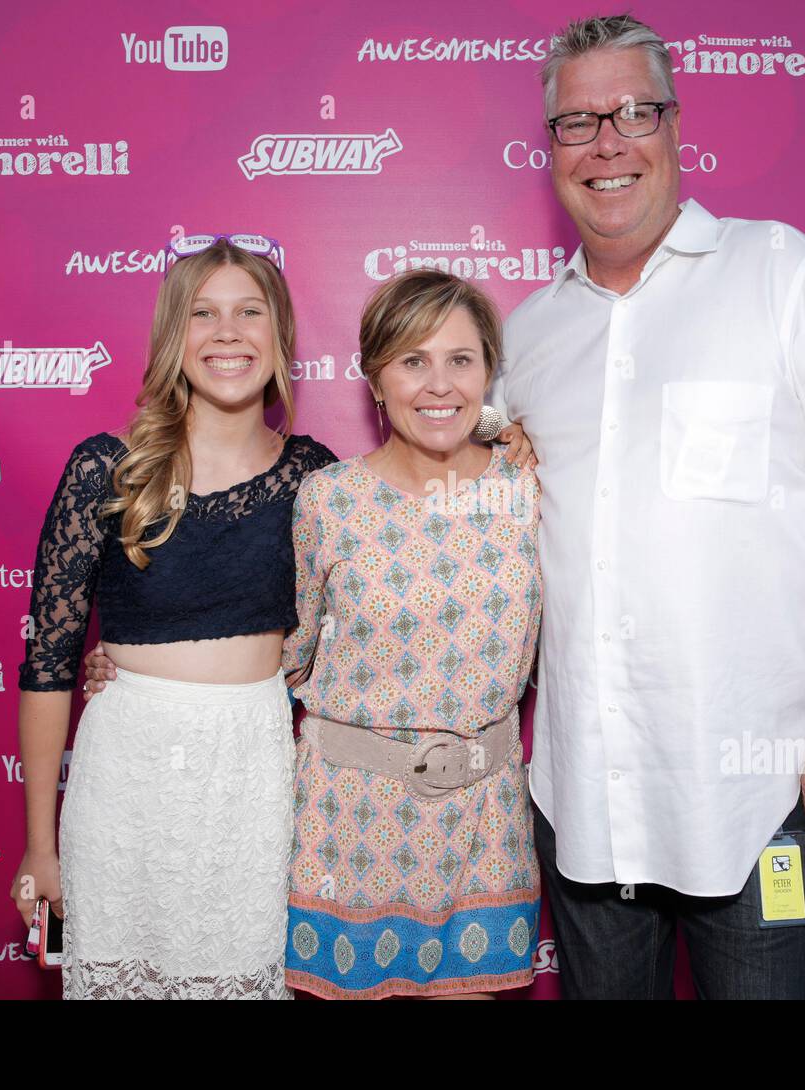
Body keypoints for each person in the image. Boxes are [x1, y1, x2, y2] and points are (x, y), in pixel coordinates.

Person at [486, 15, 805, 998]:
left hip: (755, 802)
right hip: (583, 808)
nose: (606, 143)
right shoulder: (525, 339)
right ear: (549, 148)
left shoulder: (784, 276)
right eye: (577, 123)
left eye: (633, 112)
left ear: (674, 125)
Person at [10, 234, 337, 999]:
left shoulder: (316, 478)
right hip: (127, 776)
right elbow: (48, 666)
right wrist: (38, 846)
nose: (227, 332)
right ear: (171, 338)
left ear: (279, 336)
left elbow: (359, 631)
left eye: (249, 311)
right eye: (203, 314)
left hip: (254, 778)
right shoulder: (106, 468)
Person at [280, 270, 543, 999]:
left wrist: (505, 430)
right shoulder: (327, 500)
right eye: (412, 360)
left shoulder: (528, 489)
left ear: (490, 370)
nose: (440, 384)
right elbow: (287, 655)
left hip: (483, 824)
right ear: (373, 378)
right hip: (346, 819)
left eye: (461, 359)